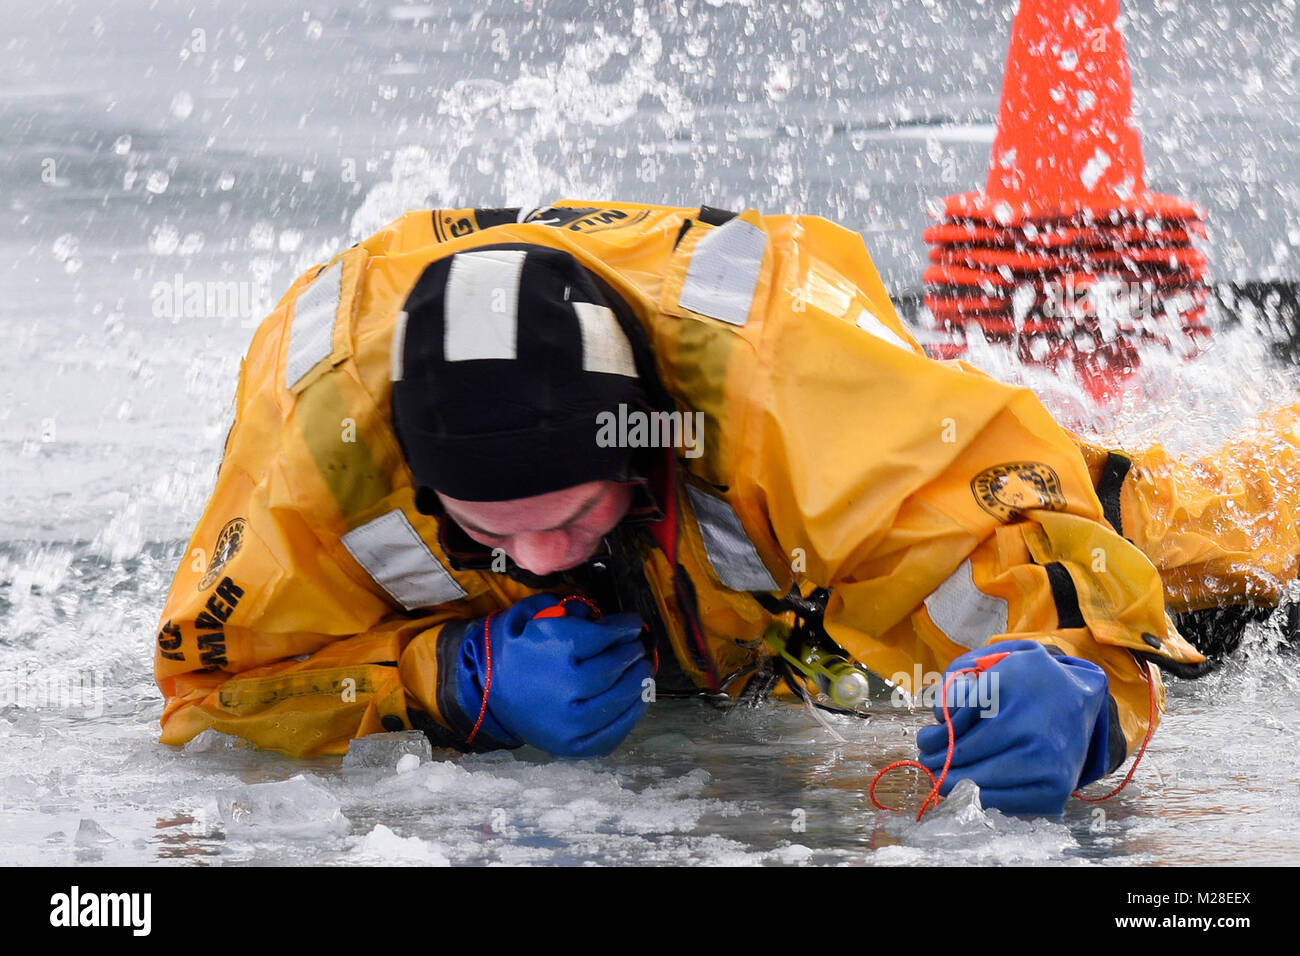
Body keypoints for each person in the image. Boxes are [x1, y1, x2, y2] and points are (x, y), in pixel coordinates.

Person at [152, 199, 1300, 815]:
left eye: (571, 514)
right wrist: (446, 679)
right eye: (489, 532)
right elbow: (212, 688)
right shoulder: (319, 455)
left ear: (644, 438)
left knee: (1188, 532)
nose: (538, 561)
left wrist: (1067, 676)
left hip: (802, 495)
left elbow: (1023, 526)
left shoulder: (787, 394)